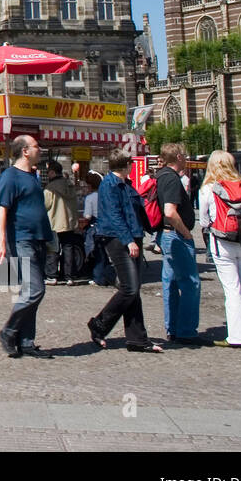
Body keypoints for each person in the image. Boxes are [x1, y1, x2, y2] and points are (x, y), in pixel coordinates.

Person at [87, 150, 162, 353]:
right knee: (129, 287)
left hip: (133, 235)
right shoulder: (109, 185)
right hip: (117, 238)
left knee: (134, 290)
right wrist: (129, 241)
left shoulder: (127, 184)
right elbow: (115, 215)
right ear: (126, 164)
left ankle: (137, 338)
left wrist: (154, 232)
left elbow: (137, 212)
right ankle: (99, 324)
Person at [0, 135, 54, 358]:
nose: (40, 149)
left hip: (38, 239)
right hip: (22, 240)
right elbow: (2, 209)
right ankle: (8, 332)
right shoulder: (10, 176)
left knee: (29, 291)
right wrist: (0, 242)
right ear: (25, 151)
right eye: (37, 146)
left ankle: (26, 342)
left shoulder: (33, 175)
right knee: (35, 289)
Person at [198, 151, 241, 346]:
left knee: (232, 289)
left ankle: (239, 336)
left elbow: (203, 221)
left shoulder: (208, 189)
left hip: (222, 241)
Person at [155, 143, 205, 345]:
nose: (185, 157)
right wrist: (187, 234)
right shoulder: (171, 179)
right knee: (191, 283)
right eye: (183, 155)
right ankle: (186, 330)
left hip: (167, 236)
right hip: (176, 236)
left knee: (170, 282)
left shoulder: (160, 176)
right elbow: (169, 211)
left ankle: (173, 328)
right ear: (177, 156)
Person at [42, 159, 83, 285]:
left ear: (53, 172)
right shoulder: (69, 185)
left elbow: (45, 204)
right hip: (69, 222)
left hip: (55, 222)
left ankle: (52, 276)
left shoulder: (51, 187)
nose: (47, 174)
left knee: (53, 249)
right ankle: (69, 276)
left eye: (48, 172)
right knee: (68, 248)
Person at [79, 171, 112, 286]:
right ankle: (108, 275)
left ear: (90, 185)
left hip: (95, 226)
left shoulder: (90, 198)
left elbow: (87, 215)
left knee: (97, 254)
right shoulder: (106, 195)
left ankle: (99, 278)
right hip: (107, 225)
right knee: (104, 253)